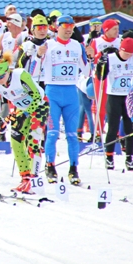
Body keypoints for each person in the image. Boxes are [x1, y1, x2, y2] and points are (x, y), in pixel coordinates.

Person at [0, 50, 47, 193]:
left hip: (39, 106)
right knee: (15, 139)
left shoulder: (20, 75)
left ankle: (34, 179)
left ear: (8, 71)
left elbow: (37, 96)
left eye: (1, 76)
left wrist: (25, 113)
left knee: (33, 140)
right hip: (21, 110)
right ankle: (25, 177)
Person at [41, 15, 87, 185]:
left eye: (71, 26)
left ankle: (73, 169)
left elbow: (87, 70)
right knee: (52, 134)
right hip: (52, 92)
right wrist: (38, 55)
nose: (68, 29)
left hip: (71, 94)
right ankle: (50, 166)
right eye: (65, 26)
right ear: (57, 27)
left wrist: (92, 58)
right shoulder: (49, 44)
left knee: (72, 135)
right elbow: (36, 66)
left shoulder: (77, 46)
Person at [96, 36, 133, 171]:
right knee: (112, 128)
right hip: (114, 96)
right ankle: (109, 157)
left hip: (129, 97)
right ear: (120, 49)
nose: (127, 57)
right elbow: (100, 76)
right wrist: (100, 64)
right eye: (125, 53)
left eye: (129, 54)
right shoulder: (111, 58)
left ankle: (130, 157)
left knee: (130, 128)